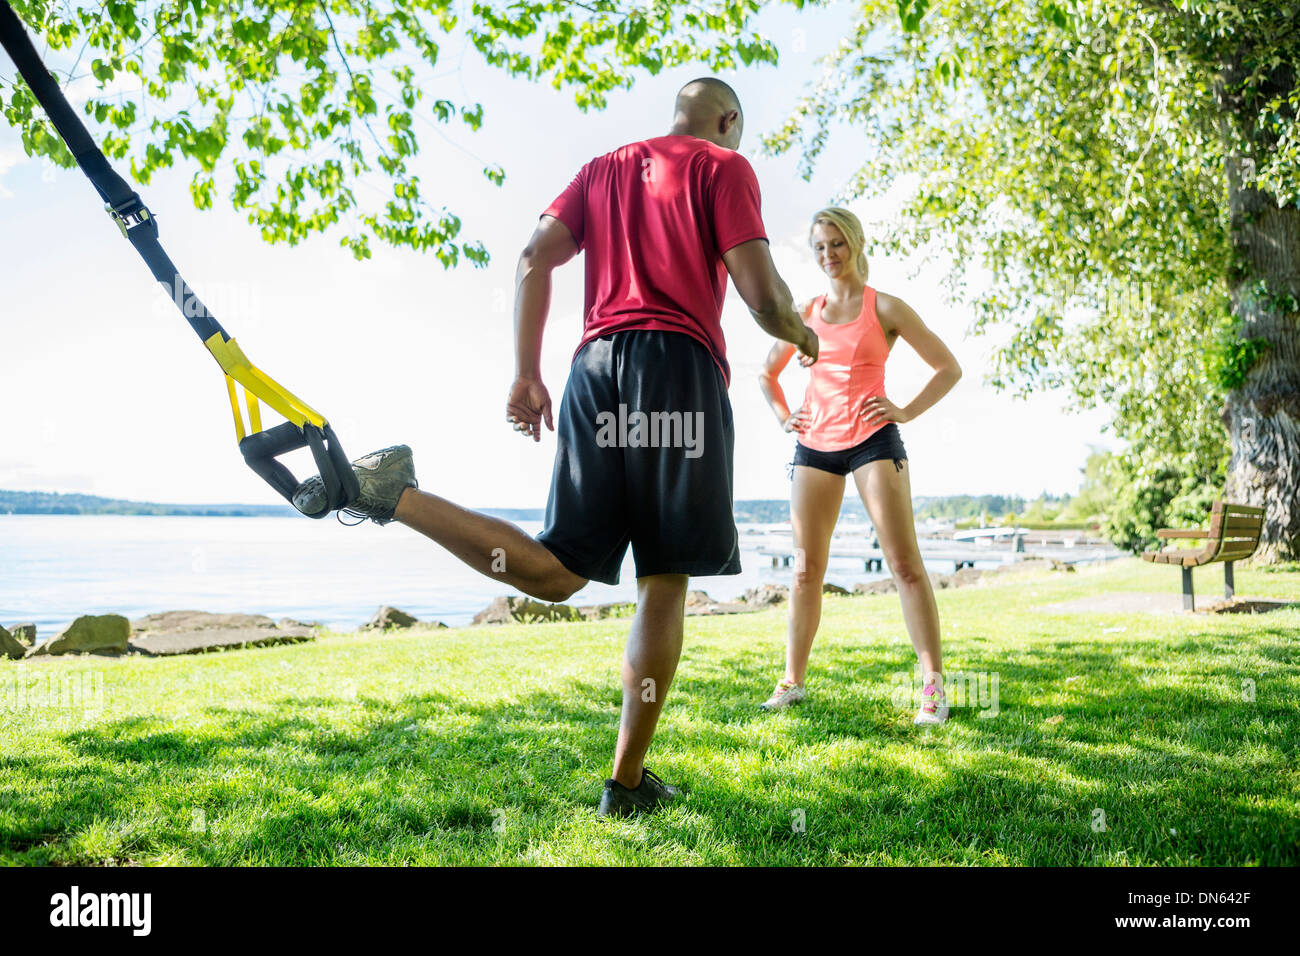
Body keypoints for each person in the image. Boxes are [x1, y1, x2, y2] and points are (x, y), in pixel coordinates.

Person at [295, 78, 818, 816]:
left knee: (560, 570)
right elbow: (761, 295)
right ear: (728, 120)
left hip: (594, 371)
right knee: (663, 578)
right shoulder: (723, 166)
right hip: (676, 371)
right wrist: (801, 334)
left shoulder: (598, 169)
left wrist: (526, 371)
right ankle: (626, 786)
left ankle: (393, 494)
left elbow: (534, 258)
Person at [756, 206, 960, 724]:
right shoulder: (806, 313)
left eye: (837, 244)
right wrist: (786, 417)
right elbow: (767, 374)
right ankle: (792, 681)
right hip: (815, 447)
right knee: (805, 571)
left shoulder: (885, 306)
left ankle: (933, 690)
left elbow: (947, 367)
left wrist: (906, 411)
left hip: (873, 440)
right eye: (820, 247)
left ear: (856, 243)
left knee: (905, 565)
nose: (829, 255)